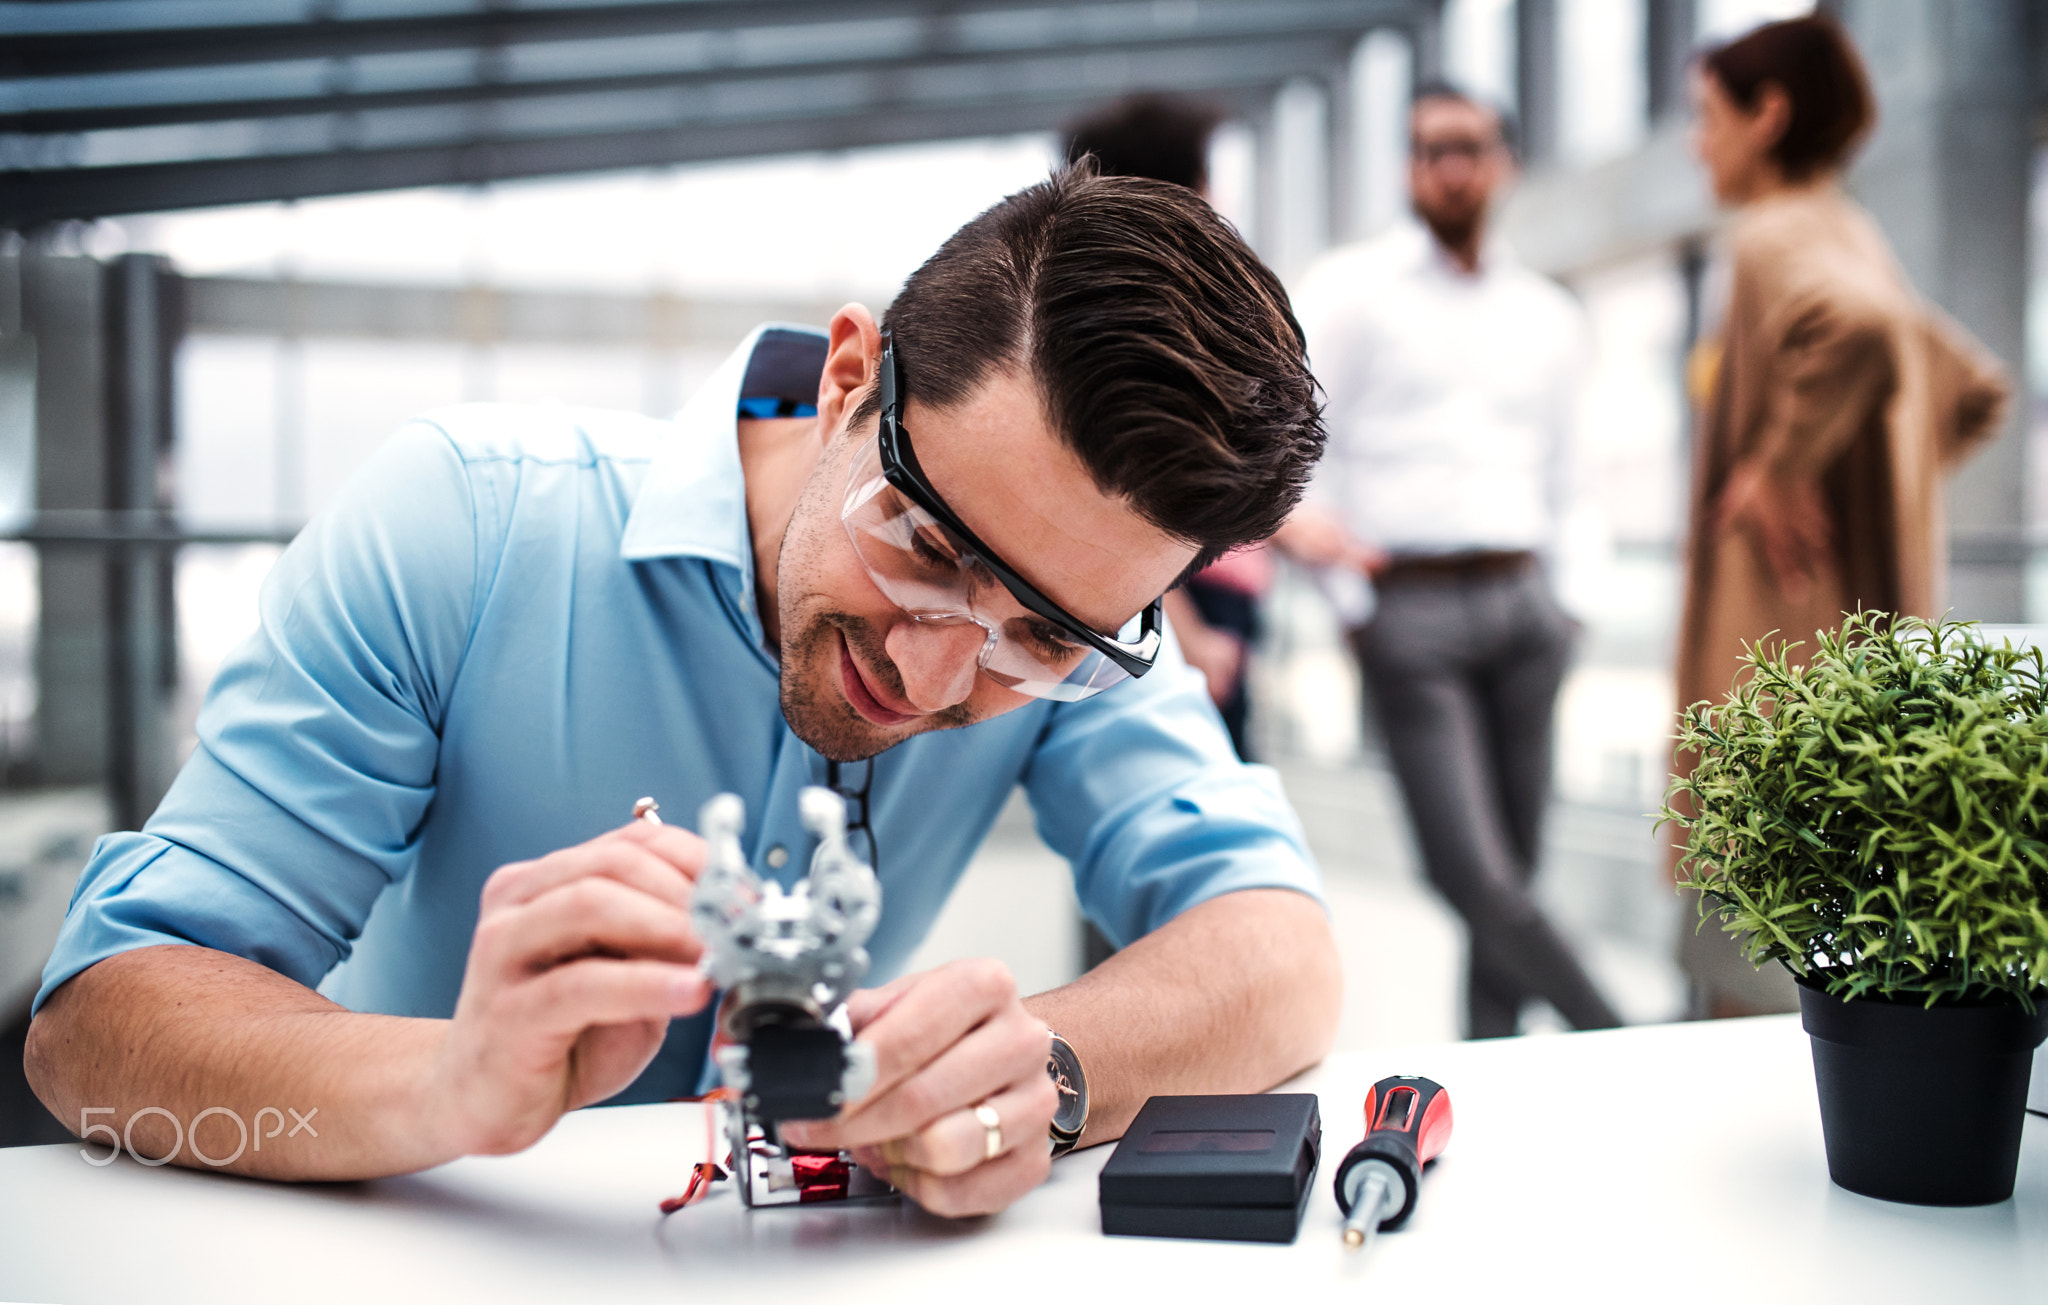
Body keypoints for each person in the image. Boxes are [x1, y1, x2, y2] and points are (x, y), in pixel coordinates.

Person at [23, 167, 1343, 1218]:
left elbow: (1280, 950)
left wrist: (1042, 1070)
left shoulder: (1083, 630)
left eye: (1041, 640)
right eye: (927, 547)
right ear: (846, 380)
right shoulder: (469, 528)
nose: (931, 676)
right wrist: (445, 1081)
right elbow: (96, 1024)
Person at [1674, 15, 2009, 1016]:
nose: (1697, 143)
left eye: (1705, 117)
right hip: (1860, 639)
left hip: (1782, 633)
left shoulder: (1775, 234)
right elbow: (1974, 388)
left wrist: (1780, 468)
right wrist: (1878, 482)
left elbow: (1857, 332)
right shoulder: (1850, 228)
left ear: (1764, 115)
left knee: (1753, 931)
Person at [1288, 82, 1621, 1040]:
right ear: (1408, 165)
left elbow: (1574, 475)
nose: (1447, 166)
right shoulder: (1354, 292)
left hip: (1526, 608)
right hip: (1411, 612)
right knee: (1467, 869)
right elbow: (1297, 438)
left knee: (1513, 871)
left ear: (1503, 163)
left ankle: (1494, 1066)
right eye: (1428, 148)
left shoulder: (1549, 314)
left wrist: (1571, 610)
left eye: (1467, 147)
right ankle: (1617, 1027)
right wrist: (1353, 601)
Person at [1064, 93, 1272, 760]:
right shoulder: (1136, 329)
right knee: (1188, 800)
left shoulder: (1131, 314)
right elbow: (1124, 496)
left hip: (1191, 595)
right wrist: (1183, 635)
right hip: (1180, 597)